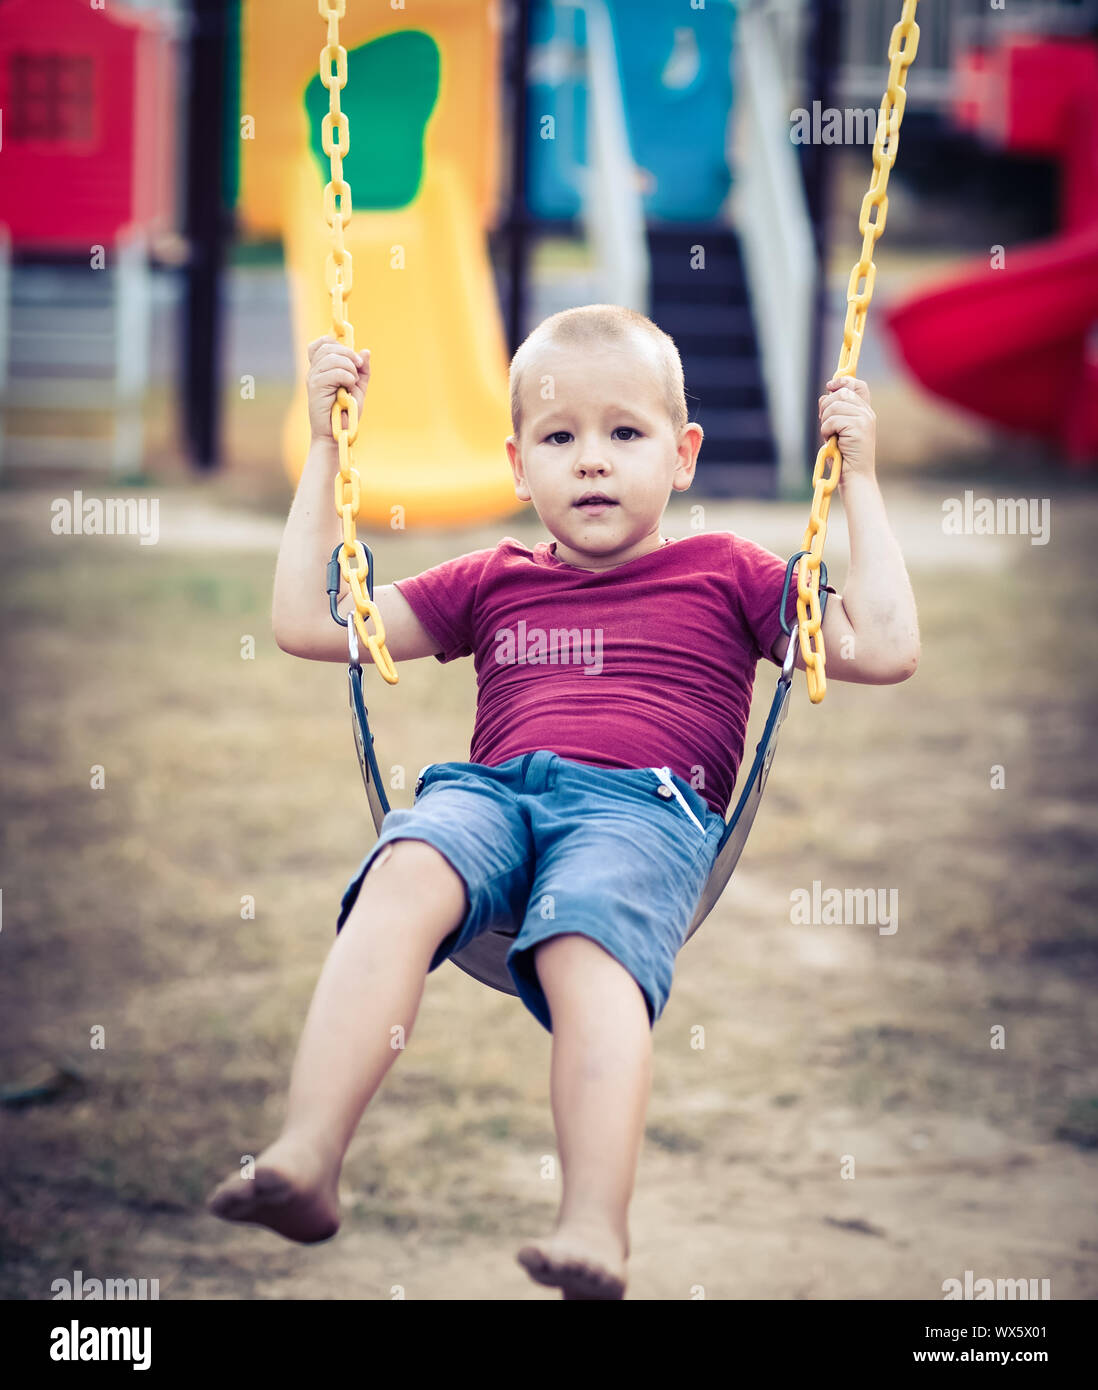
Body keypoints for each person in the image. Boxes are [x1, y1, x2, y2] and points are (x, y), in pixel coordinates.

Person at [208, 305, 919, 1299]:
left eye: (624, 433)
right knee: (404, 868)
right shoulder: (490, 579)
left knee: (585, 943)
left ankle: (593, 1224)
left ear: (682, 455)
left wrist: (863, 479)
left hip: (644, 813)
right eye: (558, 438)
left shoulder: (731, 575)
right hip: (493, 796)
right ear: (517, 465)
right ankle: (308, 1155)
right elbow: (309, 621)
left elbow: (883, 646)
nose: (590, 460)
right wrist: (327, 449)